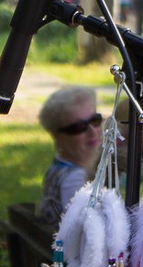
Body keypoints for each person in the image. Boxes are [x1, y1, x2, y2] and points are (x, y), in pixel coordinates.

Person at [38, 86, 103, 225]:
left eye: (95, 120)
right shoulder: (75, 180)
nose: (92, 131)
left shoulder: (58, 170)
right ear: (57, 136)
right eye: (79, 127)